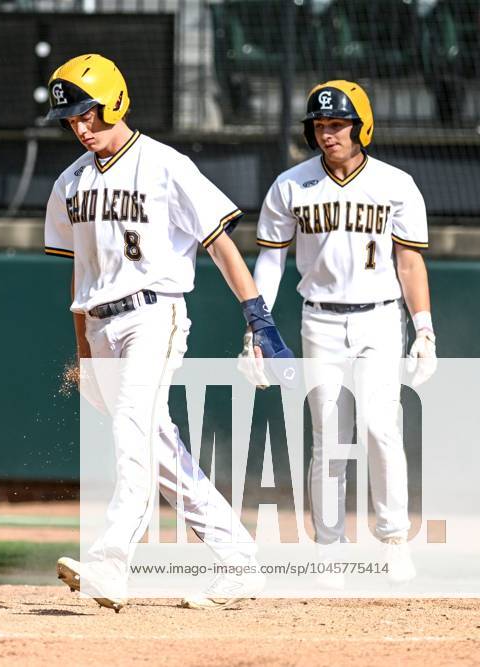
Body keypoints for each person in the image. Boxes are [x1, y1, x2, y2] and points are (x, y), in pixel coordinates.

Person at [43, 53, 294, 611]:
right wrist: (83, 351)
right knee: (158, 449)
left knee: (131, 429)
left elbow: (221, 244)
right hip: (102, 324)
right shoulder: (70, 181)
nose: (80, 128)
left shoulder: (164, 164)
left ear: (115, 102)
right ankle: (239, 562)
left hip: (154, 315)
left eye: (88, 114)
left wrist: (258, 315)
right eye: (71, 120)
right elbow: (80, 275)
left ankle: (111, 565)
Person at [250, 80, 435, 587]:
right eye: (320, 125)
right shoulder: (291, 184)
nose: (328, 133)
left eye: (337, 124)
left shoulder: (396, 184)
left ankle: (394, 538)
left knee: (380, 426)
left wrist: (424, 329)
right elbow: (270, 261)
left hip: (380, 315)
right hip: (321, 319)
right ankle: (329, 547)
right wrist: (257, 327)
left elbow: (410, 261)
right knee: (329, 437)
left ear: (361, 126)